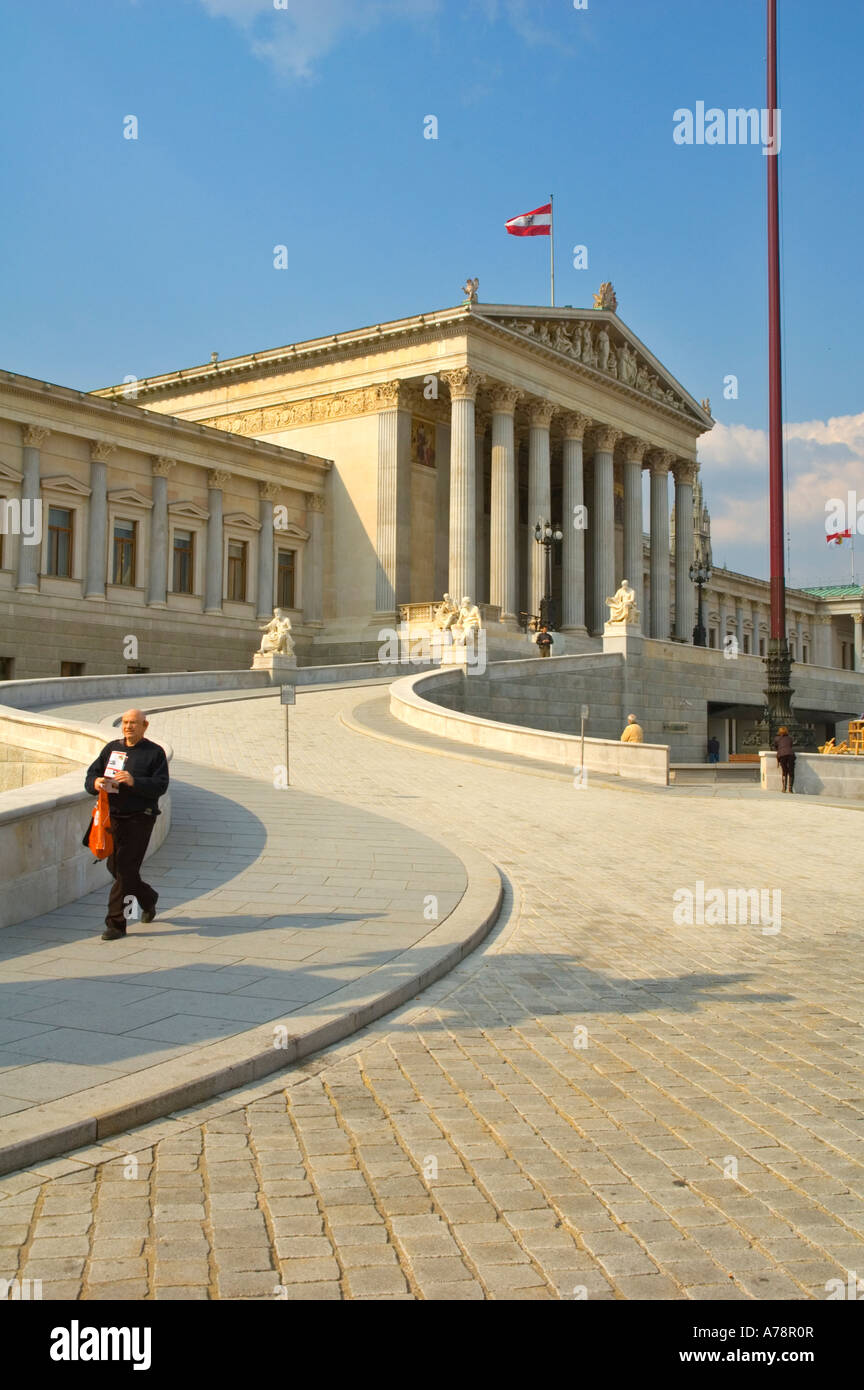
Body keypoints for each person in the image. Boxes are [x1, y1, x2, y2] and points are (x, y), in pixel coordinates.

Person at [84, 709, 169, 940]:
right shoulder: (112, 748)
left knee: (125, 869)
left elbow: (161, 785)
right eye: (125, 722)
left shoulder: (155, 753)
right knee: (115, 868)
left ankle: (116, 924)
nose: (128, 726)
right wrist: (96, 781)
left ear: (145, 725)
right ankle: (148, 898)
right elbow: (90, 775)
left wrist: (135, 781)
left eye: (133, 723)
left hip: (140, 817)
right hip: (113, 817)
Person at [774, 725, 796, 793]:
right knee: (791, 772)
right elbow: (791, 746)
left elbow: (776, 747)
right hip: (790, 754)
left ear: (779, 732)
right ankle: (790, 789)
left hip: (782, 755)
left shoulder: (777, 738)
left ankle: (784, 788)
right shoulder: (790, 738)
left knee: (784, 771)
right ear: (786, 731)